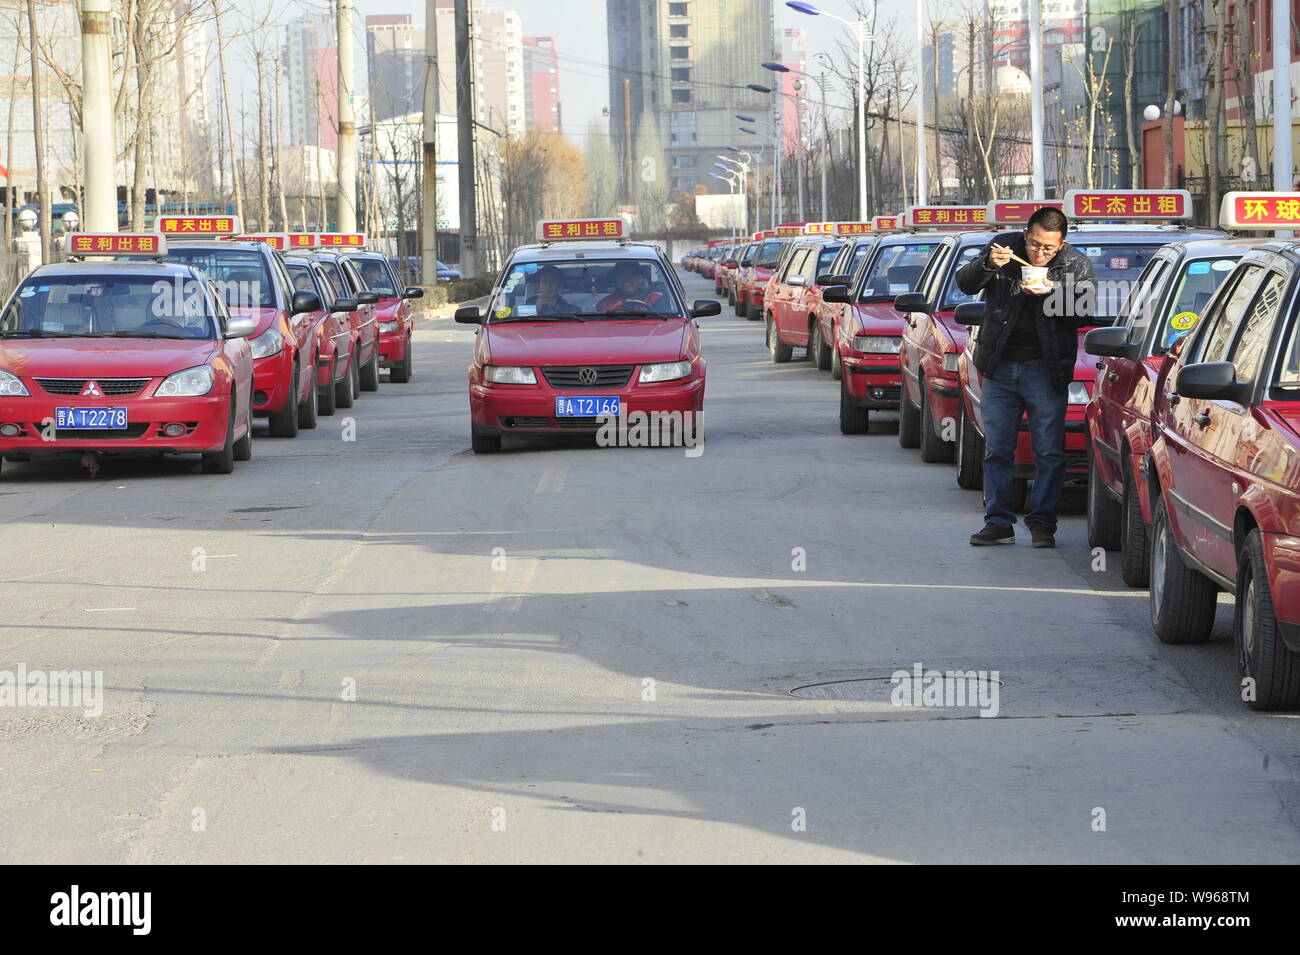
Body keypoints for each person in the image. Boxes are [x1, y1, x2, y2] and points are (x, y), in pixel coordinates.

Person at [955, 206, 1096, 549]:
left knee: (1048, 451)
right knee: (998, 448)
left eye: (1048, 248)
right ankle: (998, 522)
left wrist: (1051, 292)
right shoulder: (1004, 248)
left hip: (1045, 370)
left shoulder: (1075, 264)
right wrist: (988, 264)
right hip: (1000, 366)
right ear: (1025, 234)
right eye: (1033, 244)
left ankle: (1042, 523)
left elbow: (1083, 312)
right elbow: (965, 282)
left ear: (1061, 244)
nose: (1038, 252)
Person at [596, 261, 663, 312]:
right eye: (622, 275)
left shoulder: (655, 299)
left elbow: (665, 322)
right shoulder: (604, 303)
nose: (626, 279)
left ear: (640, 278)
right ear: (616, 279)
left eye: (631, 275)